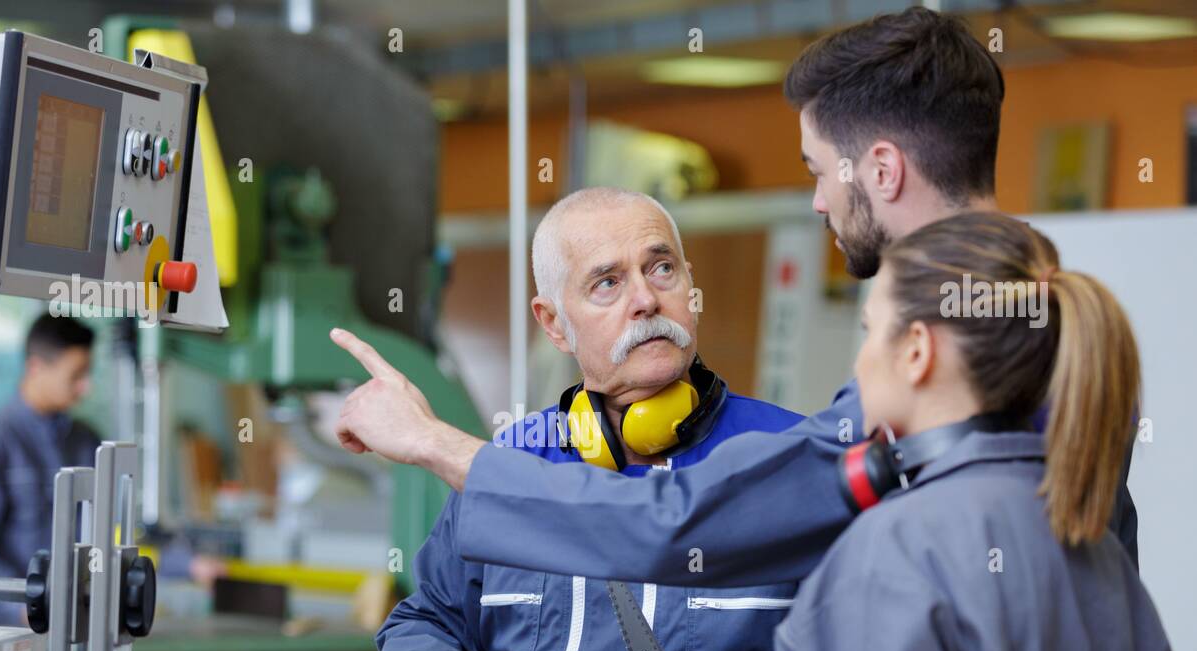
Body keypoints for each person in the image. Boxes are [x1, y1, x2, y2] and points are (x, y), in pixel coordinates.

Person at [327, 7, 1139, 592]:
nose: (818, 202)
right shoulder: (1045, 318)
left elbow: (671, 525)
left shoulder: (941, 370)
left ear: (882, 171)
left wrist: (433, 443)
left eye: (819, 170)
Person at [377, 188, 803, 651]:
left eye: (662, 269)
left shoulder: (790, 464)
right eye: (607, 282)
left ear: (690, 286)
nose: (645, 299)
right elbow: (426, 618)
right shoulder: (511, 472)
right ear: (553, 323)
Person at [763, 212, 1186, 651]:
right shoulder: (1102, 556)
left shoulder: (888, 554)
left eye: (870, 329)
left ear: (916, 351)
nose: (860, 358)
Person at [0, 314, 100, 625]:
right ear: (36, 367)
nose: (85, 387)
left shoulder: (86, 441)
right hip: (3, 627)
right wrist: (20, 604)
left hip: (69, 625)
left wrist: (187, 563)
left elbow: (114, 529)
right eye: (76, 374)